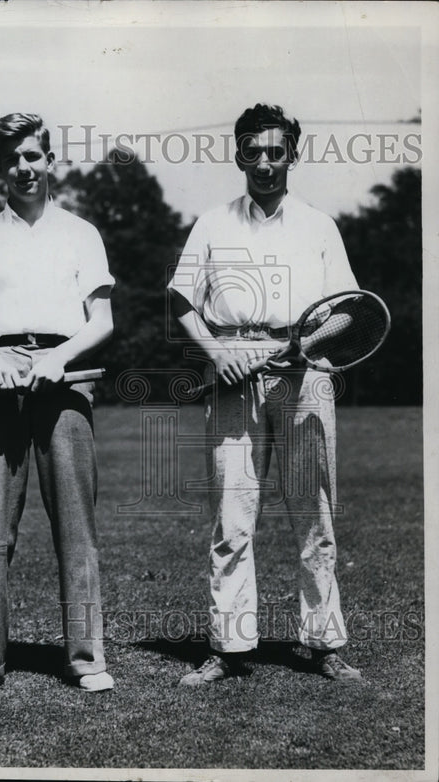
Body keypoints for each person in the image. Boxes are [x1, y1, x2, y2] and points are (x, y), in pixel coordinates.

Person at [168, 103, 363, 685]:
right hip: (232, 381)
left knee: (314, 515)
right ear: (238, 155)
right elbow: (181, 301)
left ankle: (324, 644)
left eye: (275, 152)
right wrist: (218, 353)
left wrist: (305, 347)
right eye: (252, 151)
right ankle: (228, 649)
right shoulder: (211, 223)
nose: (264, 163)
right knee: (232, 520)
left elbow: (347, 311)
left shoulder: (318, 224)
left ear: (292, 157)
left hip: (306, 379)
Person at [0, 113, 115, 696]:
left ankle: (86, 658)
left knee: (76, 527)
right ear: (0, 168)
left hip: (64, 385)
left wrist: (58, 357)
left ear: (50, 161)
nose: (25, 167)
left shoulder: (81, 234)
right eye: (14, 159)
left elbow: (102, 322)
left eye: (34, 156)